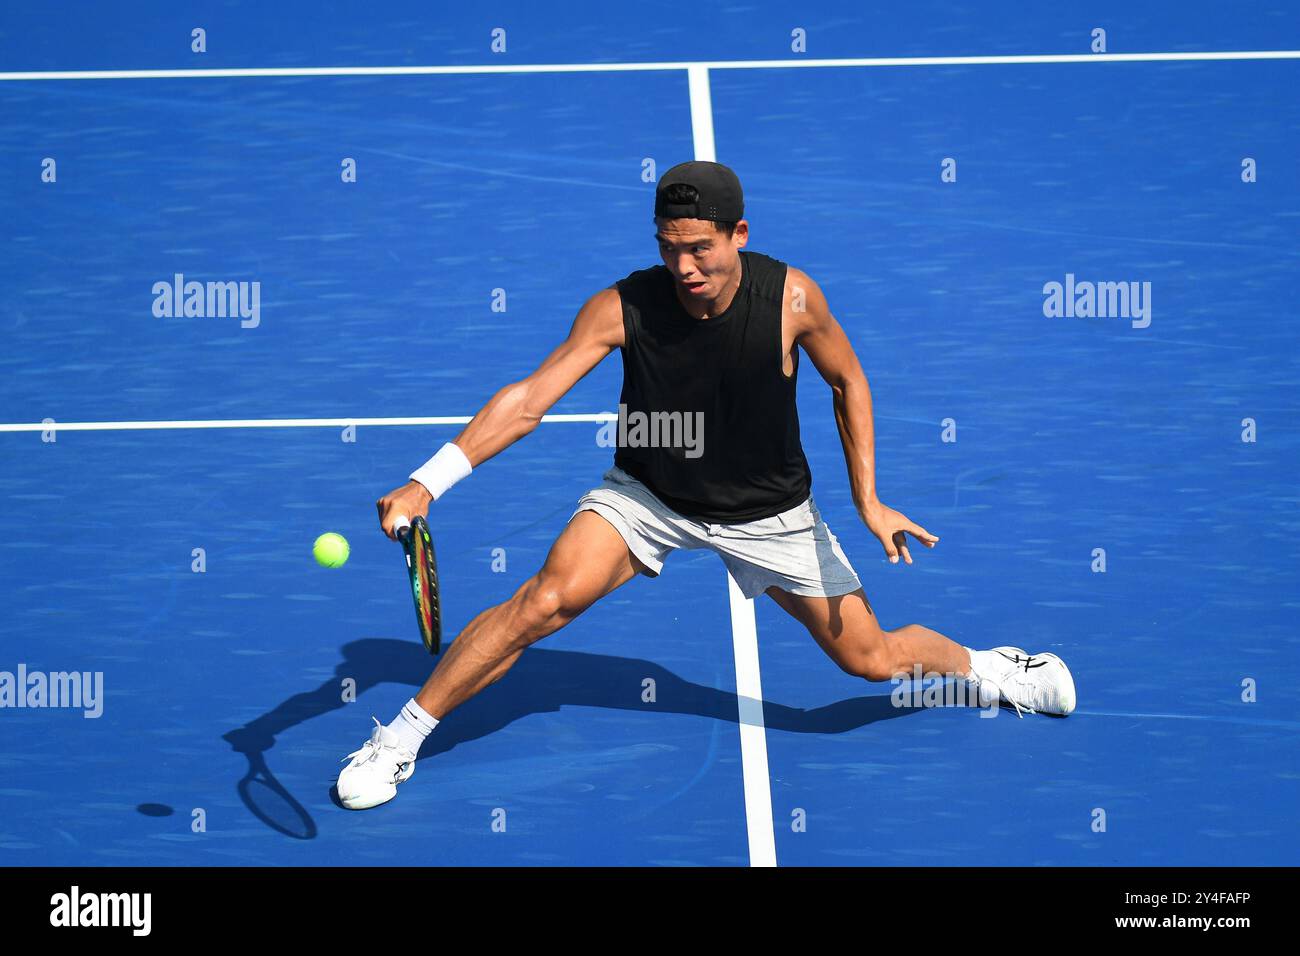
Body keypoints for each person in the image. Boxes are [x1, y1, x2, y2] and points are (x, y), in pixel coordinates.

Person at [337, 161, 1076, 810]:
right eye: (669, 247)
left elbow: (847, 379)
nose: (685, 266)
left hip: (769, 512)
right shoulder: (622, 307)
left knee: (871, 660)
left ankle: (993, 670)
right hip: (649, 495)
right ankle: (398, 740)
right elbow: (529, 400)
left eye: (700, 248)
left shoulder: (792, 300)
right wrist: (427, 482)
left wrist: (868, 500)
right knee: (543, 601)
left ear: (738, 235)